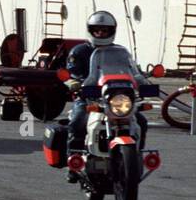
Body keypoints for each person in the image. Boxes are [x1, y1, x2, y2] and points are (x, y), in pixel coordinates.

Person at [63, 11, 147, 174]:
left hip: (115, 98)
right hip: (89, 97)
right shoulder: (79, 51)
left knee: (141, 122)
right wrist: (73, 82)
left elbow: (132, 70)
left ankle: (135, 159)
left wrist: (143, 80)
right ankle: (73, 162)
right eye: (97, 30)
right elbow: (71, 72)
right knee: (79, 119)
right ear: (90, 30)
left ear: (112, 31)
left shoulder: (120, 52)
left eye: (105, 30)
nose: (101, 33)